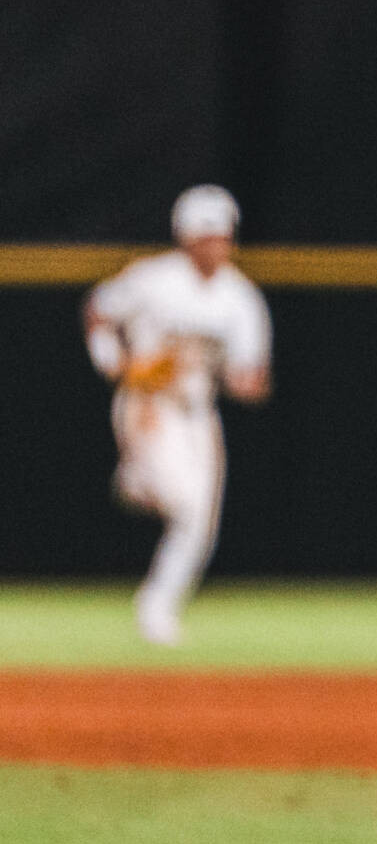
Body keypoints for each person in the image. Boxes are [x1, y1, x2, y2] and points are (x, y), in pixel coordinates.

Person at [84, 185, 271, 645]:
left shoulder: (240, 298)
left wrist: (244, 383)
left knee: (201, 521)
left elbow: (250, 374)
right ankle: (140, 478)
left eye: (222, 236)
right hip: (149, 405)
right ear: (185, 236)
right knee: (185, 505)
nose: (215, 245)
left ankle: (158, 604)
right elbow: (98, 311)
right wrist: (115, 363)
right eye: (206, 236)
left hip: (197, 412)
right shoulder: (153, 279)